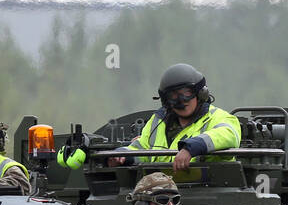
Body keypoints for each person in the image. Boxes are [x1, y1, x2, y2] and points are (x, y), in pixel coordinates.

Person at [58, 63, 241, 172]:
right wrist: (122, 156)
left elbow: (228, 135)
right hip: (157, 196)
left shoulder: (219, 118)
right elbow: (141, 148)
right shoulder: (157, 122)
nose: (180, 101)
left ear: (201, 93)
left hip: (205, 190)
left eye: (185, 93)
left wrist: (191, 148)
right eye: (173, 96)